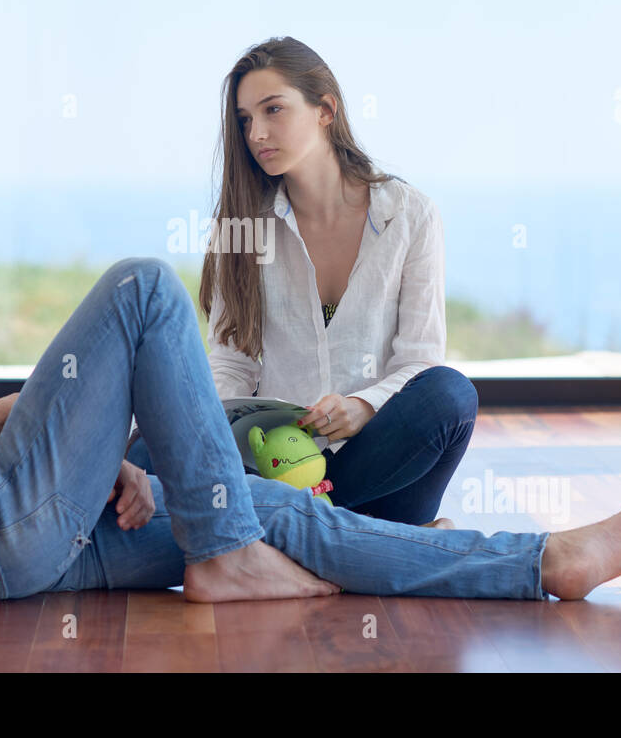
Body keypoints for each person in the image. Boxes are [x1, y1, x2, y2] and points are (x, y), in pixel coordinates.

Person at [0, 58, 621, 606]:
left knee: (278, 510)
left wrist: (105, 463)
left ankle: (545, 562)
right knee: (144, 289)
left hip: (31, 534)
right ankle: (226, 553)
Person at [128, 36, 473, 529]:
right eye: (246, 119)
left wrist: (362, 407)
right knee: (146, 447)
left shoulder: (410, 214)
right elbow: (230, 363)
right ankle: (356, 539)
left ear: (325, 110)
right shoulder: (242, 227)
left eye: (273, 110)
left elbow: (418, 360)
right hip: (276, 465)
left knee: (450, 395)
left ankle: (293, 532)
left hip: (375, 467)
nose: (257, 133)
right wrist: (210, 421)